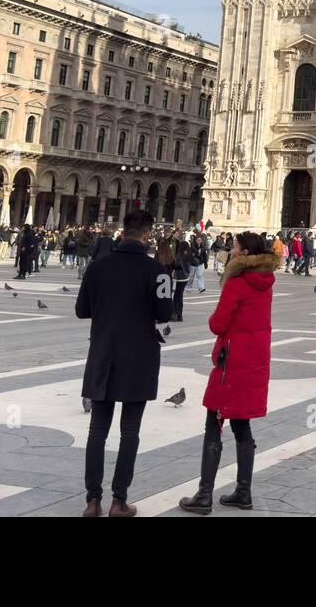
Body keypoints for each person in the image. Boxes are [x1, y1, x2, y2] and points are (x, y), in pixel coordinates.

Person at [75, 209, 173, 517]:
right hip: (139, 357)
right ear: (148, 234)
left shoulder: (97, 267)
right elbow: (164, 313)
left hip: (103, 353)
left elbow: (81, 310)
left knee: (96, 432)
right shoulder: (158, 270)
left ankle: (92, 501)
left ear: (122, 231)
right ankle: (119, 501)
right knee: (130, 431)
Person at [179, 231, 277, 514]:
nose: (231, 250)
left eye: (234, 247)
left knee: (215, 422)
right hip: (254, 362)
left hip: (232, 363)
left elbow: (218, 324)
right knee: (241, 424)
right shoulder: (266, 283)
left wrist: (214, 315)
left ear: (245, 253)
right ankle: (243, 492)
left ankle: (204, 496)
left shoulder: (237, 284)